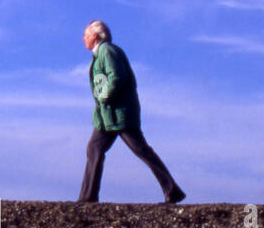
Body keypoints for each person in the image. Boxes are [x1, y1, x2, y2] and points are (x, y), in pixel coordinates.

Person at [77, 20, 185, 204]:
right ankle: (88, 198)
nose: (83, 39)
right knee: (94, 148)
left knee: (141, 150)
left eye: (86, 35)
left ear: (95, 37)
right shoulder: (101, 53)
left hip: (120, 115)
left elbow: (116, 77)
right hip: (107, 118)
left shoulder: (107, 51)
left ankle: (172, 190)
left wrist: (104, 96)